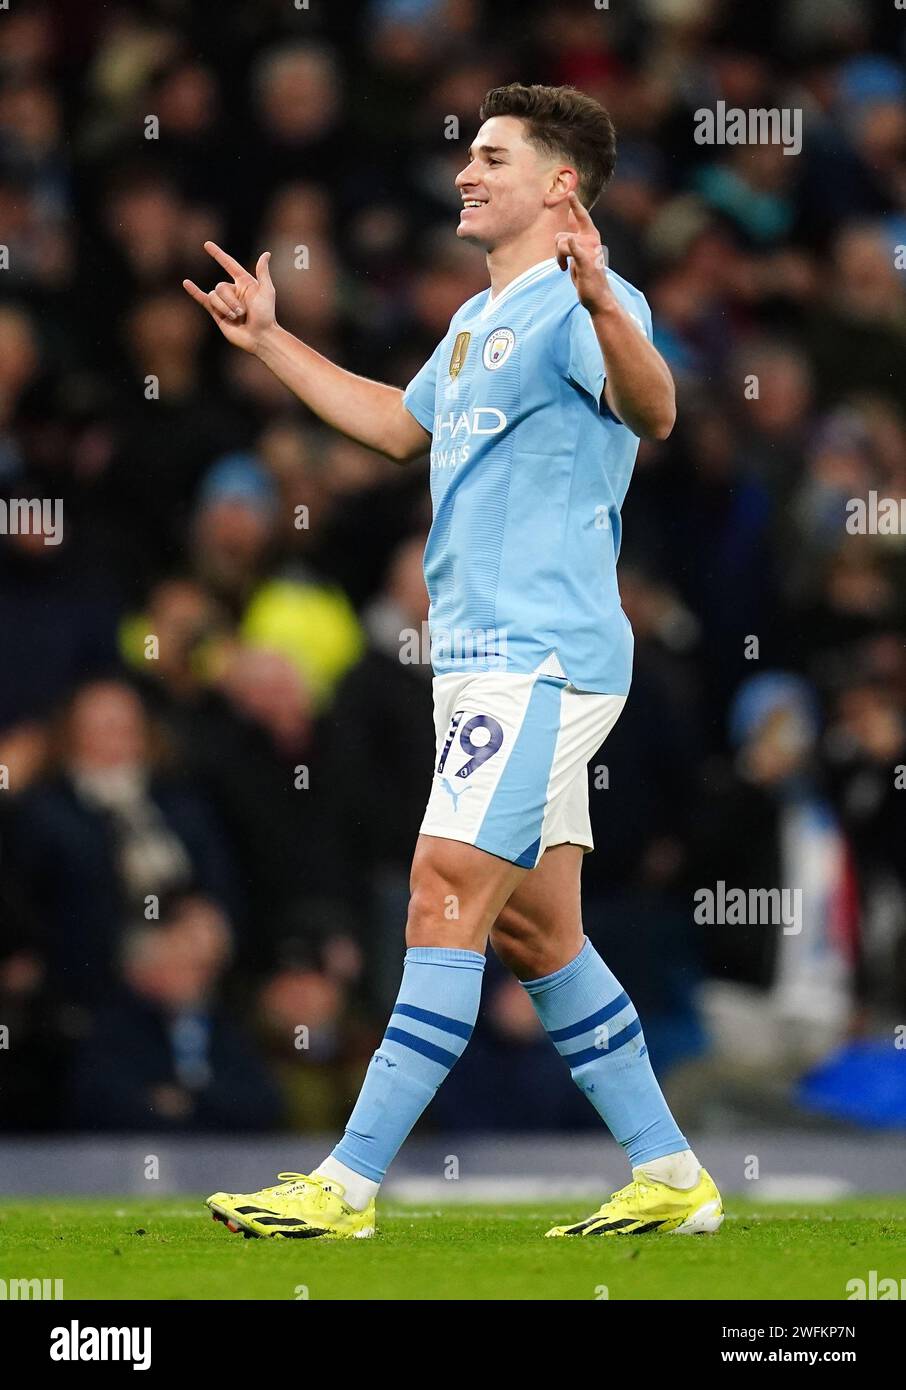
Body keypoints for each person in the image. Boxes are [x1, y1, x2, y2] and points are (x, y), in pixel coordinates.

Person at [184, 82, 722, 1240]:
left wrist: (610, 309)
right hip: (481, 661)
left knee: (440, 889)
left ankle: (346, 1183)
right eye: (468, 155)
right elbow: (394, 425)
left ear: (558, 185)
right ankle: (672, 1173)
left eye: (492, 156)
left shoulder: (589, 297)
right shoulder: (481, 318)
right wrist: (272, 338)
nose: (466, 173)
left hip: (540, 659)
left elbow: (659, 408)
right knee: (537, 931)